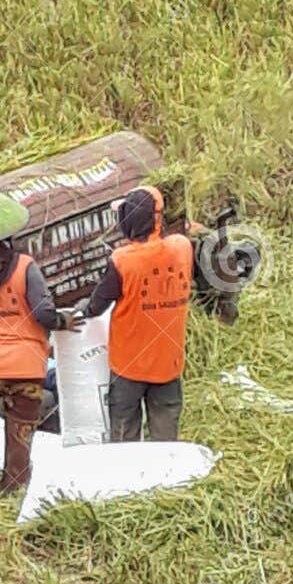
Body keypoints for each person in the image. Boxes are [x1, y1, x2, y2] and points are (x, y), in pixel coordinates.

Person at [0, 192, 80, 495]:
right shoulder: (24, 267)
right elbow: (44, 313)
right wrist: (64, 322)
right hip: (26, 366)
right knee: (20, 434)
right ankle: (12, 492)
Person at [83, 185, 194, 442]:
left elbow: (96, 306)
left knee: (124, 439)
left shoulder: (122, 261)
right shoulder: (182, 248)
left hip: (128, 368)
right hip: (169, 363)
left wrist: (80, 311)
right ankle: (165, 478)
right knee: (166, 439)